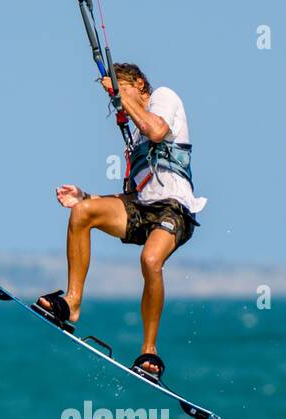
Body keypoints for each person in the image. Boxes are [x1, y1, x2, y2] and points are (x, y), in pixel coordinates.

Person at [34, 63, 206, 384]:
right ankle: (71, 304)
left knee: (150, 260)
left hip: (174, 210)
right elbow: (132, 196)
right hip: (143, 208)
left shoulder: (163, 99)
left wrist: (117, 93)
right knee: (83, 212)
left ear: (140, 84)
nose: (116, 101)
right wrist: (86, 196)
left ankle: (149, 350)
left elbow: (157, 131)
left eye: (121, 91)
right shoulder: (137, 143)